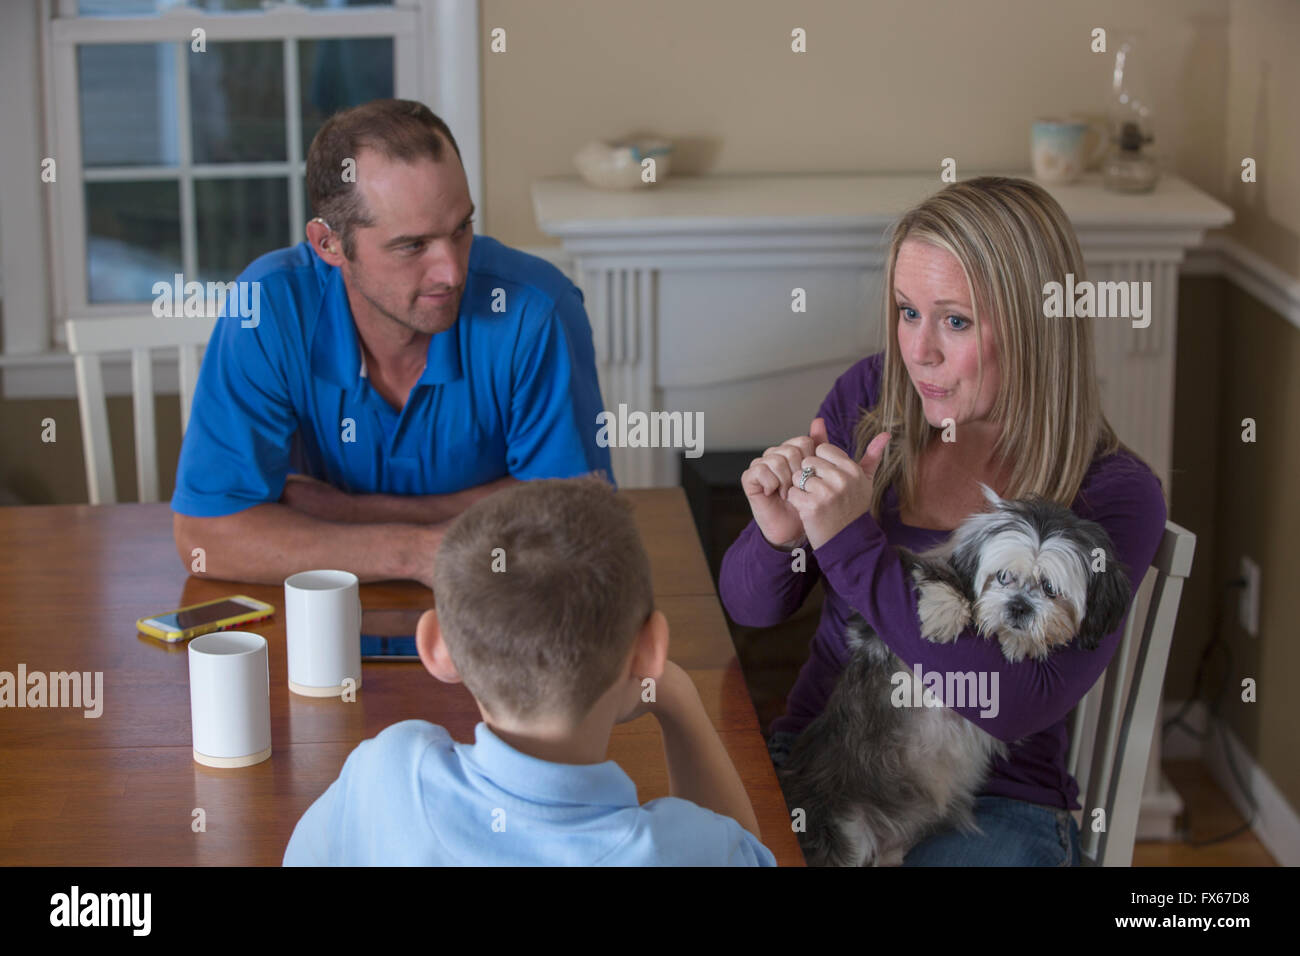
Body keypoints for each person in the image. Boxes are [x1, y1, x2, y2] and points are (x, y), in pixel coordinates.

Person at [718, 176, 1168, 866]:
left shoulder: (1113, 493)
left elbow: (1014, 702)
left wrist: (852, 545)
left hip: (995, 804)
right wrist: (780, 537)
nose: (918, 351)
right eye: (907, 312)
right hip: (829, 764)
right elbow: (748, 607)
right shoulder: (872, 401)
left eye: (954, 321)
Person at [171, 99, 611, 590]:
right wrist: (417, 551)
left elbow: (578, 520)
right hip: (323, 628)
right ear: (329, 245)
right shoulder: (268, 309)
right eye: (413, 246)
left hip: (497, 609)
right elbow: (206, 536)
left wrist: (349, 513)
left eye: (461, 228)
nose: (452, 271)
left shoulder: (535, 309)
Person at [283, 476, 777, 866]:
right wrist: (677, 698)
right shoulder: (677, 850)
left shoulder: (386, 774)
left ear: (437, 646)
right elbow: (743, 853)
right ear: (649, 651)